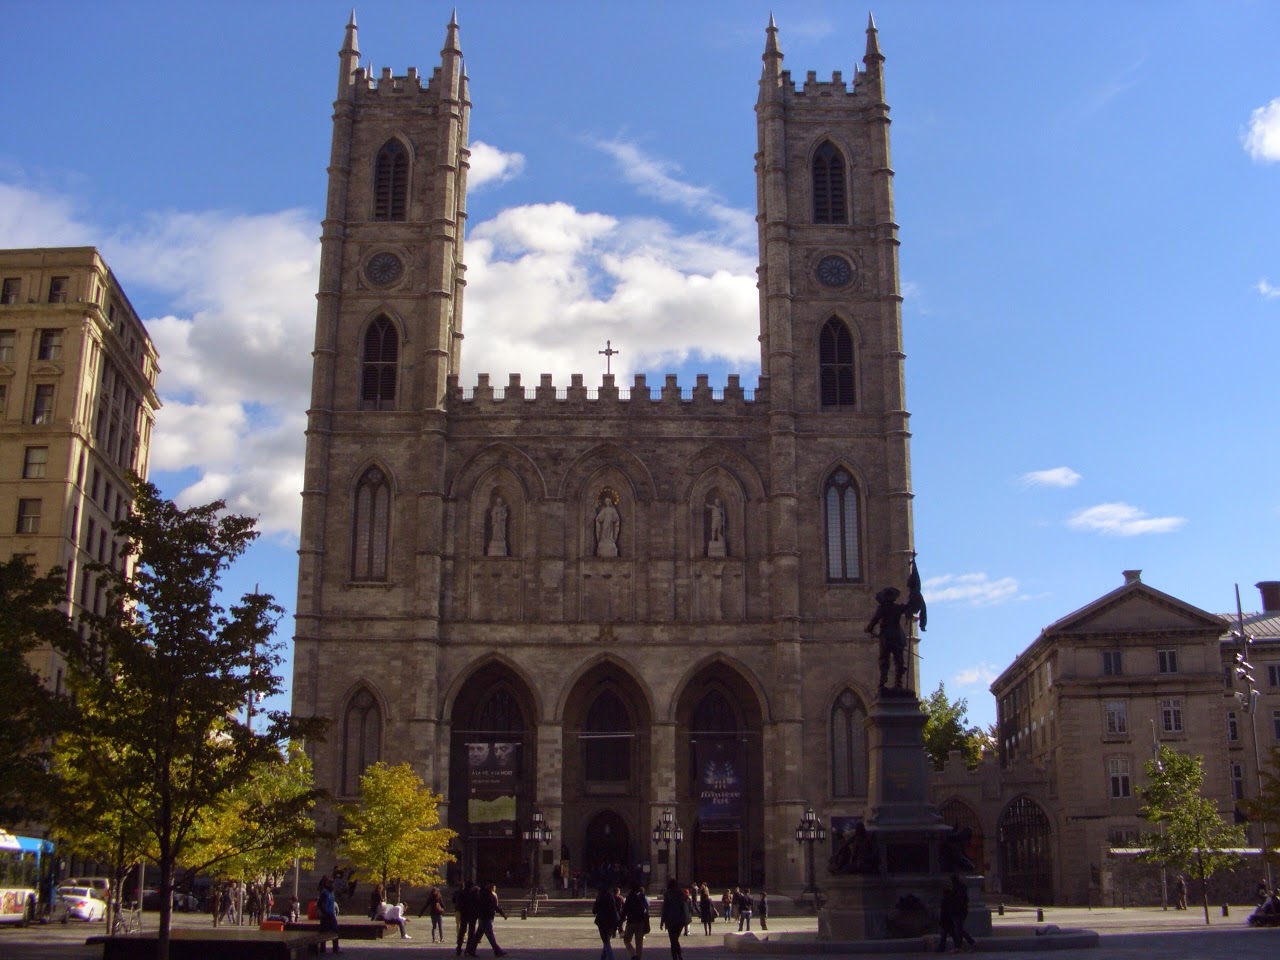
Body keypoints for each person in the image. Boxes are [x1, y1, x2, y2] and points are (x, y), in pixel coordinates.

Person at [467, 882, 507, 957]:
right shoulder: (489, 896)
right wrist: (502, 914)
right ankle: (497, 951)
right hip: (487, 917)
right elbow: (494, 906)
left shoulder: (480, 894)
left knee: (478, 936)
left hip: (482, 917)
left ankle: (471, 950)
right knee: (490, 936)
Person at [659, 878, 689, 960]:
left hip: (670, 920)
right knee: (675, 939)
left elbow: (665, 909)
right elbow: (685, 907)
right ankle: (679, 955)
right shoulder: (681, 894)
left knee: (673, 940)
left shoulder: (667, 894)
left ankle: (675, 957)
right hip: (680, 920)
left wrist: (662, 921)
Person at [621, 881, 650, 960]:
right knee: (639, 943)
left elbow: (625, 910)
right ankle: (638, 958)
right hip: (641, 922)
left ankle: (633, 955)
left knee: (626, 940)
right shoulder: (642, 897)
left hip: (631, 922)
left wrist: (621, 921)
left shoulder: (630, 897)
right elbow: (647, 908)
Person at [593, 884, 621, 960]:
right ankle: (603, 958)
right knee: (606, 941)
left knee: (606, 942)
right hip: (611, 922)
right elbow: (615, 911)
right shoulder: (611, 898)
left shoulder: (600, 898)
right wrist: (618, 923)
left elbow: (594, 911)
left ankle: (611, 958)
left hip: (602, 922)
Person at [316, 876, 340, 954]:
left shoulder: (331, 893)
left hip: (332, 914)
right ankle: (322, 949)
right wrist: (324, 912)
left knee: (335, 930)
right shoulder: (324, 892)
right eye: (330, 882)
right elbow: (319, 903)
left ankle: (335, 949)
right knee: (324, 931)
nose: (332, 884)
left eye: (332, 882)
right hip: (326, 915)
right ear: (326, 884)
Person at [456, 881, 479, 956]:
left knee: (462, 931)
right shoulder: (474, 894)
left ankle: (459, 947)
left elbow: (456, 901)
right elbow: (477, 903)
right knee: (471, 932)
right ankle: (468, 949)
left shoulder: (461, 893)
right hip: (472, 915)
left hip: (464, 914)